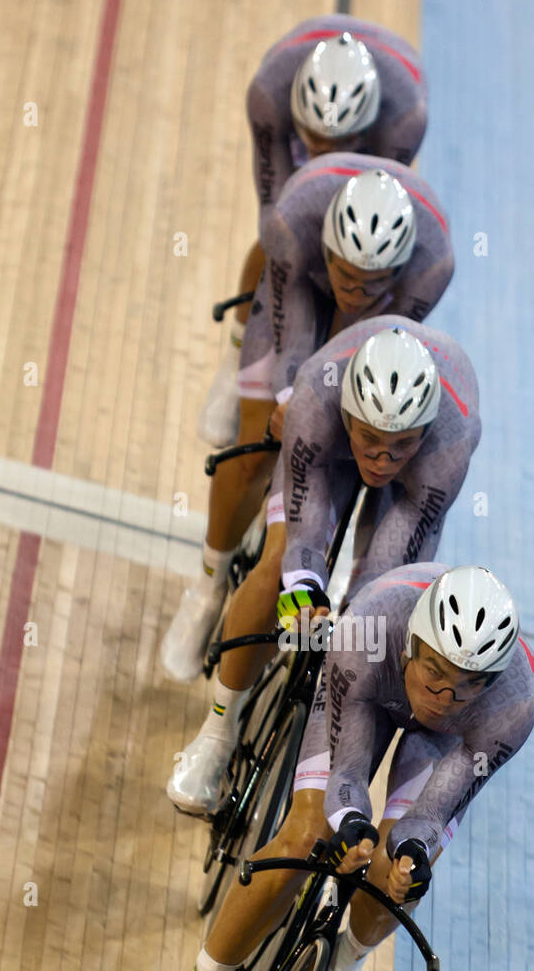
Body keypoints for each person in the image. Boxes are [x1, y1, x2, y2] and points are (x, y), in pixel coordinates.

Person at [139, 563, 534, 971]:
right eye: (435, 673)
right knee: (310, 836)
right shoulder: (371, 626)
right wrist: (351, 821)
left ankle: (347, 962)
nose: (443, 698)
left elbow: (431, 814)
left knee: (397, 873)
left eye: (464, 687)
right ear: (412, 647)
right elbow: (347, 772)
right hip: (366, 692)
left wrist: (411, 855)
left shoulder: (513, 705)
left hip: (450, 745)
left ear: (488, 683)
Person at [167, 319, 480, 814]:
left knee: (373, 625)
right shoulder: (318, 396)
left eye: (400, 444)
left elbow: (386, 585)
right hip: (325, 445)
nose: (381, 459)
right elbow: (304, 536)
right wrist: (304, 595)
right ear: (348, 419)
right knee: (278, 570)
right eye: (370, 440)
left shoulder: (448, 445)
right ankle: (218, 732)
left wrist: (352, 639)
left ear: (423, 432)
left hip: (417, 487)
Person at [160, 157, 453, 684]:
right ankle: (206, 590)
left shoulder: (433, 263)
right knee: (259, 455)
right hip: (297, 298)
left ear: (397, 269)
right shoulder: (297, 220)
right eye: (347, 274)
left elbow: (382, 339)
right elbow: (295, 335)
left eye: (371, 281)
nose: (355, 289)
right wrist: (295, 398)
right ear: (329, 249)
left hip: (370, 342)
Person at [199, 16, 427, 450]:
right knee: (279, 234)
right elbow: (275, 216)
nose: (322, 154)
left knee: (365, 258)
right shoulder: (270, 92)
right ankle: (235, 358)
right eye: (313, 139)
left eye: (333, 143)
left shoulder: (405, 118)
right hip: (297, 107)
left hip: (376, 147)